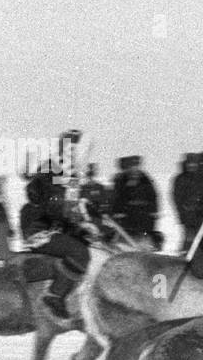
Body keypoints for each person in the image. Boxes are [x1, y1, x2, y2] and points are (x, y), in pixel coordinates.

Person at [20, 135, 99, 319]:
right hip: (39, 231)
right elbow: (54, 205)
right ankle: (55, 296)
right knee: (80, 252)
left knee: (86, 248)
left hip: (49, 228)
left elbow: (67, 207)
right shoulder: (50, 176)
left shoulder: (64, 179)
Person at [111, 156, 159, 245]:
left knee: (145, 234)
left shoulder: (145, 178)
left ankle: (145, 248)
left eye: (136, 165)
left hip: (145, 213)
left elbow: (153, 195)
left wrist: (154, 210)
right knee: (130, 235)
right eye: (132, 166)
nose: (135, 168)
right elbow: (117, 196)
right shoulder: (122, 179)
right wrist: (118, 211)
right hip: (128, 213)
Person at [172, 153, 203, 253]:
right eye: (190, 163)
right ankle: (185, 255)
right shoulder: (181, 179)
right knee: (189, 236)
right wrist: (183, 211)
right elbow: (177, 198)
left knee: (202, 236)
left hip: (201, 215)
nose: (191, 166)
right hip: (188, 215)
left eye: (194, 163)